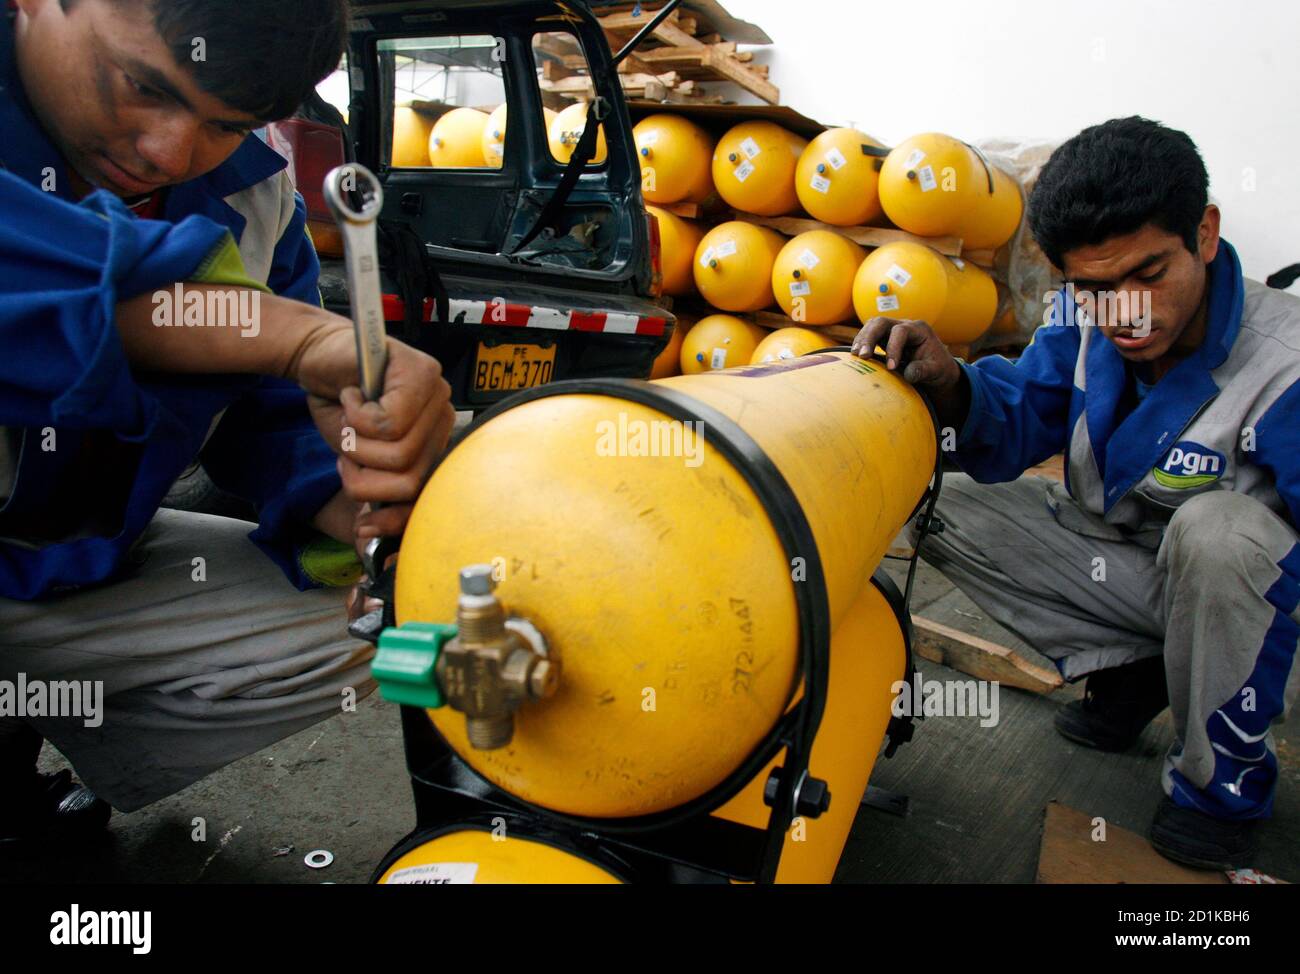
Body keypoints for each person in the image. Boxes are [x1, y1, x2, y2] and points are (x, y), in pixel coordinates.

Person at [0, 0, 454, 843]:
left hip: (55, 567)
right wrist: (300, 336)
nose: (170, 151)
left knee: (390, 615)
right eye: (143, 86)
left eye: (227, 123)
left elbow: (268, 412)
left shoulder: (251, 193)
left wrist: (356, 495)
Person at [852, 116, 1300, 870]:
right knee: (931, 498)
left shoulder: (1284, 365)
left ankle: (1221, 781)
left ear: (1206, 233)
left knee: (1218, 533)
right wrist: (953, 384)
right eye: (1092, 288)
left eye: (1149, 276)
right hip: (1120, 564)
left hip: (1237, 595)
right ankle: (1137, 669)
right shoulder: (1082, 318)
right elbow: (1025, 411)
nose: (1122, 312)